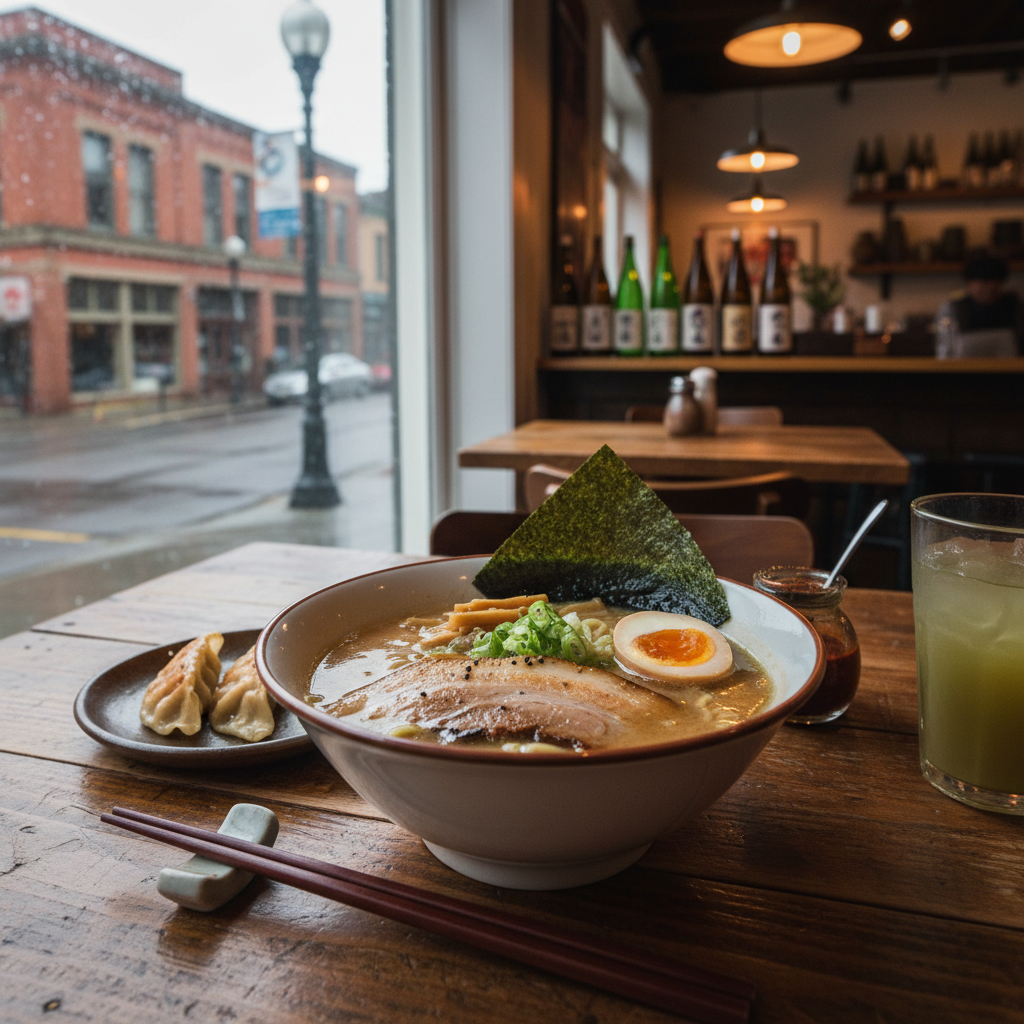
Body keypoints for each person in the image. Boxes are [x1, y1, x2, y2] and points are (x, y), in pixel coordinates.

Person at [936, 252, 1024, 357]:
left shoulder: (1015, 307)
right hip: (963, 369)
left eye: (989, 281)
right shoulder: (954, 309)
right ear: (969, 283)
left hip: (1011, 370)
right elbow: (945, 351)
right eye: (978, 281)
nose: (984, 287)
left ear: (1000, 283)